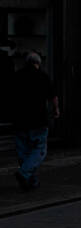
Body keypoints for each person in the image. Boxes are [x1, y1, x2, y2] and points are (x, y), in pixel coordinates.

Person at [11, 52, 59, 191]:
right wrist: (56, 109)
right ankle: (24, 173)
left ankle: (30, 181)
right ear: (38, 63)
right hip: (38, 120)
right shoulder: (43, 76)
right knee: (39, 150)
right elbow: (53, 96)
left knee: (23, 151)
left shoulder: (17, 76)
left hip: (19, 120)